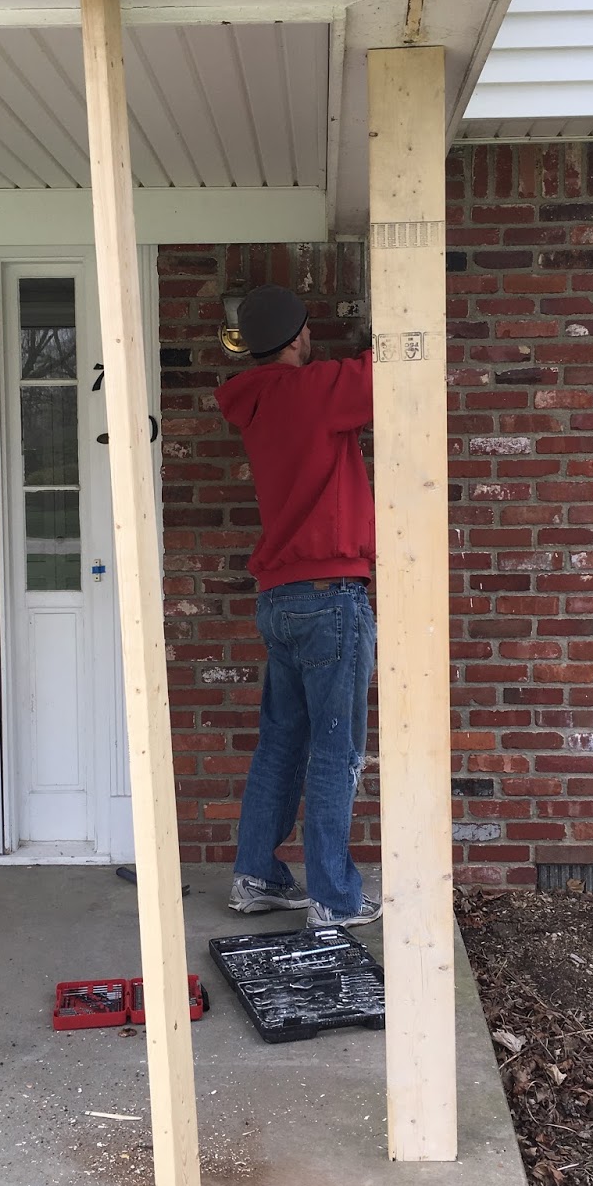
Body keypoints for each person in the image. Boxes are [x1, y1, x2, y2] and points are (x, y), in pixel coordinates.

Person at [215, 283, 381, 929]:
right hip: (328, 595)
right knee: (335, 751)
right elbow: (388, 377)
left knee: (281, 743)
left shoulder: (254, 403)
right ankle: (333, 901)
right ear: (299, 335)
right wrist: (379, 327)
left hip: (279, 599)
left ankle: (256, 876)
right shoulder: (312, 390)